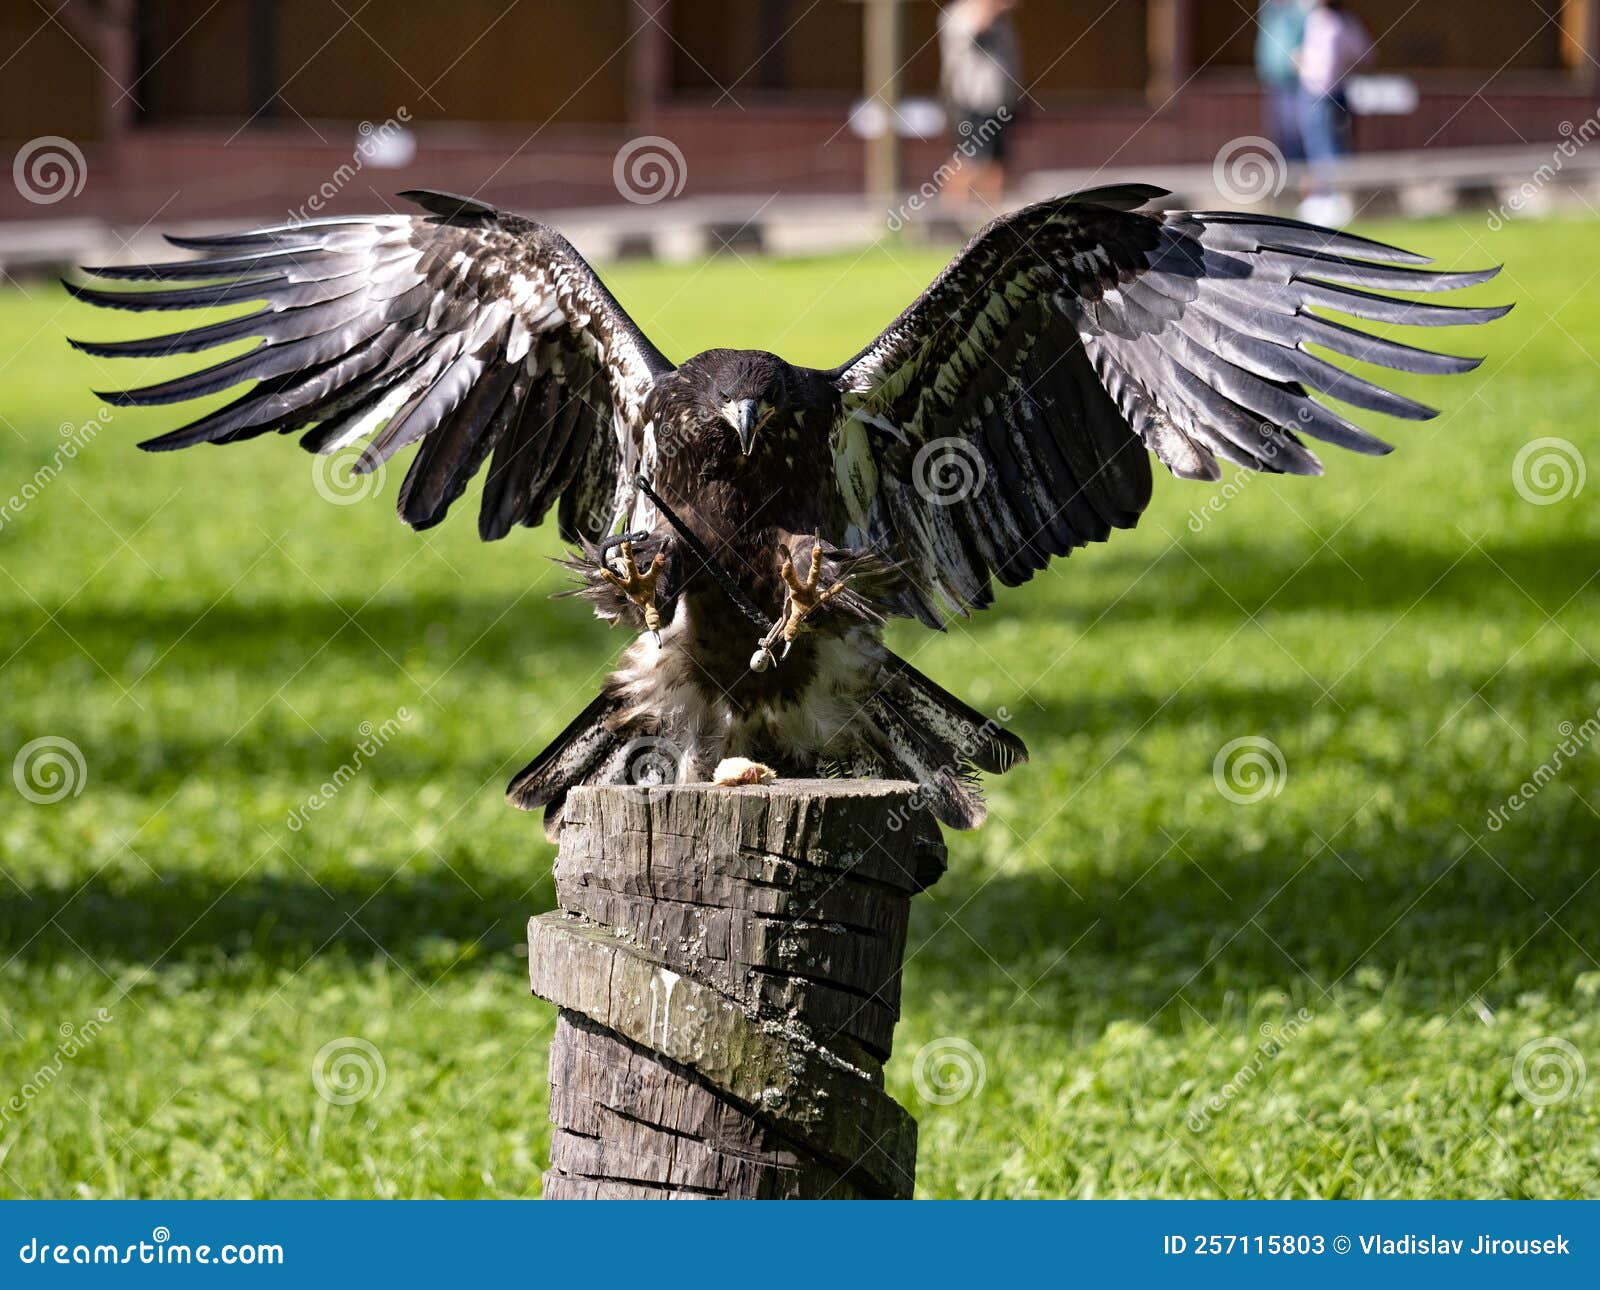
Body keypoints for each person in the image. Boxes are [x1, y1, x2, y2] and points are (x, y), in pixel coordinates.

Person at [938, 0, 1022, 208]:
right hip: (973, 100)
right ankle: (949, 215)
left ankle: (991, 218)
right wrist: (991, 6)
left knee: (995, 161)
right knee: (969, 160)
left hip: (999, 101)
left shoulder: (1001, 20)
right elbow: (976, 33)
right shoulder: (963, 14)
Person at [1296, 0, 1371, 222]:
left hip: (1330, 93)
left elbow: (1365, 54)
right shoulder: (1312, 19)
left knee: (1330, 147)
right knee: (1316, 145)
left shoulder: (1342, 23)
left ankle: (1336, 202)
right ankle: (1322, 202)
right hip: (1313, 91)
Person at [1255, 0, 1308, 163]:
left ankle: (1297, 170)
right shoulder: (1269, 10)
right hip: (1273, 80)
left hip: (1296, 82)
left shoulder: (1302, 9)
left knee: (1294, 132)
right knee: (1279, 133)